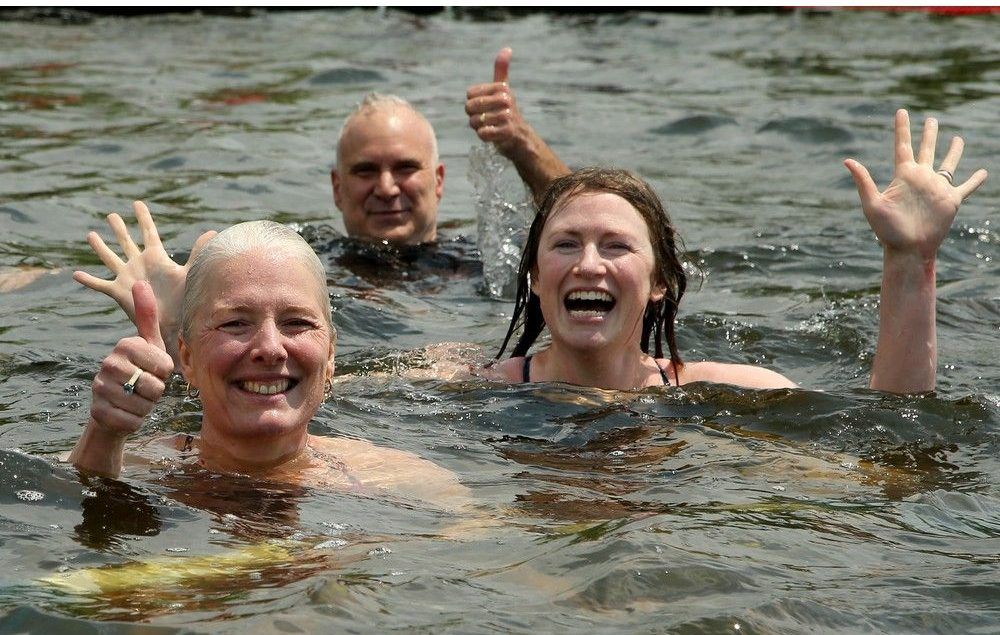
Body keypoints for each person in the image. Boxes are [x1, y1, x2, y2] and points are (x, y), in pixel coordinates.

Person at [488, 110, 988, 394]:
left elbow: (886, 458)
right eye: (566, 244)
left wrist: (910, 261)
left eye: (616, 245)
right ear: (533, 274)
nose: (589, 264)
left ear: (660, 280)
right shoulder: (478, 391)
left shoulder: (726, 395)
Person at [68, 219, 470, 511]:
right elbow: (62, 525)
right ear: (185, 358)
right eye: (235, 323)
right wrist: (104, 433)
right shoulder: (133, 467)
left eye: (296, 323)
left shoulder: (406, 483)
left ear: (330, 357)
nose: (270, 348)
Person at [330, 47, 569, 246]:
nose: (386, 189)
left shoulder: (477, 264)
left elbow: (588, 223)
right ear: (337, 189)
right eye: (366, 171)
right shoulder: (314, 269)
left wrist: (523, 144)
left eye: (405, 168)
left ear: (439, 181)